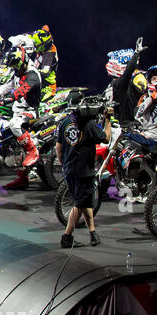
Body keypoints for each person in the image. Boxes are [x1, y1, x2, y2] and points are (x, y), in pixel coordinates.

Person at [0, 45, 45, 190]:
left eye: (16, 66)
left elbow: (18, 92)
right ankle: (22, 178)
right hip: (17, 111)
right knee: (6, 135)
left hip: (30, 112)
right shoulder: (18, 71)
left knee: (14, 124)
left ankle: (33, 150)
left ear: (22, 61)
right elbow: (7, 87)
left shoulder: (32, 75)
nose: (14, 70)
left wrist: (3, 100)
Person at [56, 89, 107, 247]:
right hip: (84, 171)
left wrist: (64, 164)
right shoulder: (89, 123)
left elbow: (58, 147)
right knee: (79, 204)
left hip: (69, 169)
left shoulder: (64, 122)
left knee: (85, 201)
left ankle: (92, 233)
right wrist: (109, 119)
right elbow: (106, 138)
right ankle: (67, 237)